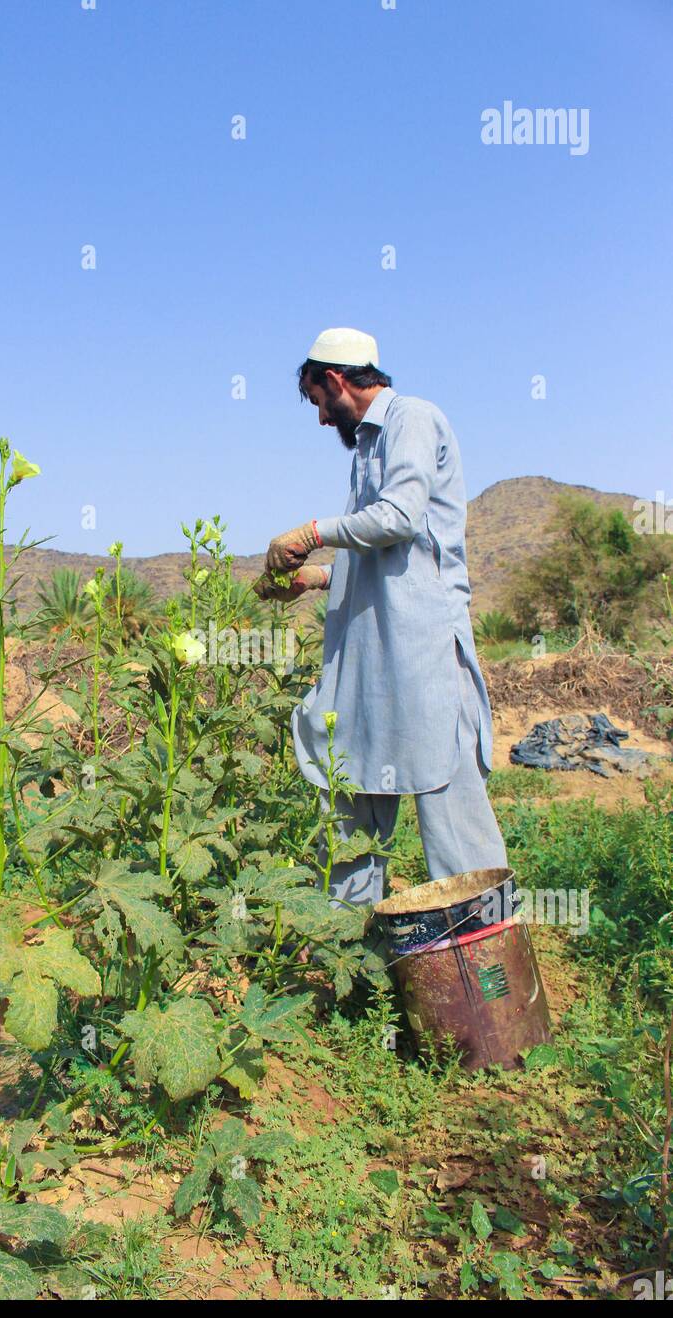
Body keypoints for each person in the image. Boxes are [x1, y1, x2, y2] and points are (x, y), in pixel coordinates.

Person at [254, 327, 507, 906]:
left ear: (337, 380)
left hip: (421, 652)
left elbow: (398, 519)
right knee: (354, 785)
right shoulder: (368, 447)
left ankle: (487, 962)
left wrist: (313, 533)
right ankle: (355, 952)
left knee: (449, 809)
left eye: (320, 402)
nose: (322, 420)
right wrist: (314, 578)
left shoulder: (411, 419)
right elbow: (383, 556)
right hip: (372, 654)